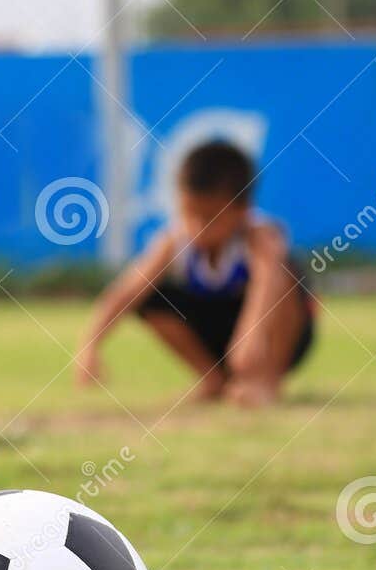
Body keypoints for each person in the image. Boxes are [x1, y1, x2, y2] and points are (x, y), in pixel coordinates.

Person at [75, 139, 315, 408]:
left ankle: (267, 382)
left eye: (211, 218)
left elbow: (267, 284)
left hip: (273, 337)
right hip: (221, 338)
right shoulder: (173, 240)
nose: (199, 227)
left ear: (242, 210)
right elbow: (129, 289)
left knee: (286, 276)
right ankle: (214, 380)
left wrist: (251, 337)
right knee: (152, 297)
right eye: (190, 214)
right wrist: (90, 345)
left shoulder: (260, 236)